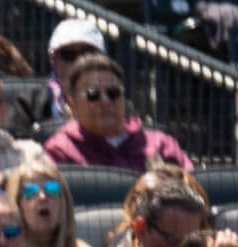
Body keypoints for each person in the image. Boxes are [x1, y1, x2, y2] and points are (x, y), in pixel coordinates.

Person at [45, 52, 195, 171]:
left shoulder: (161, 144)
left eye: (113, 93)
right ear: (72, 103)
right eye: (93, 95)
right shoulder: (60, 150)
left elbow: (194, 191)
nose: (105, 101)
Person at [7, 153, 98, 247]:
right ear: (17, 203)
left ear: (63, 200)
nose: (42, 197)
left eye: (52, 189)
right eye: (30, 191)